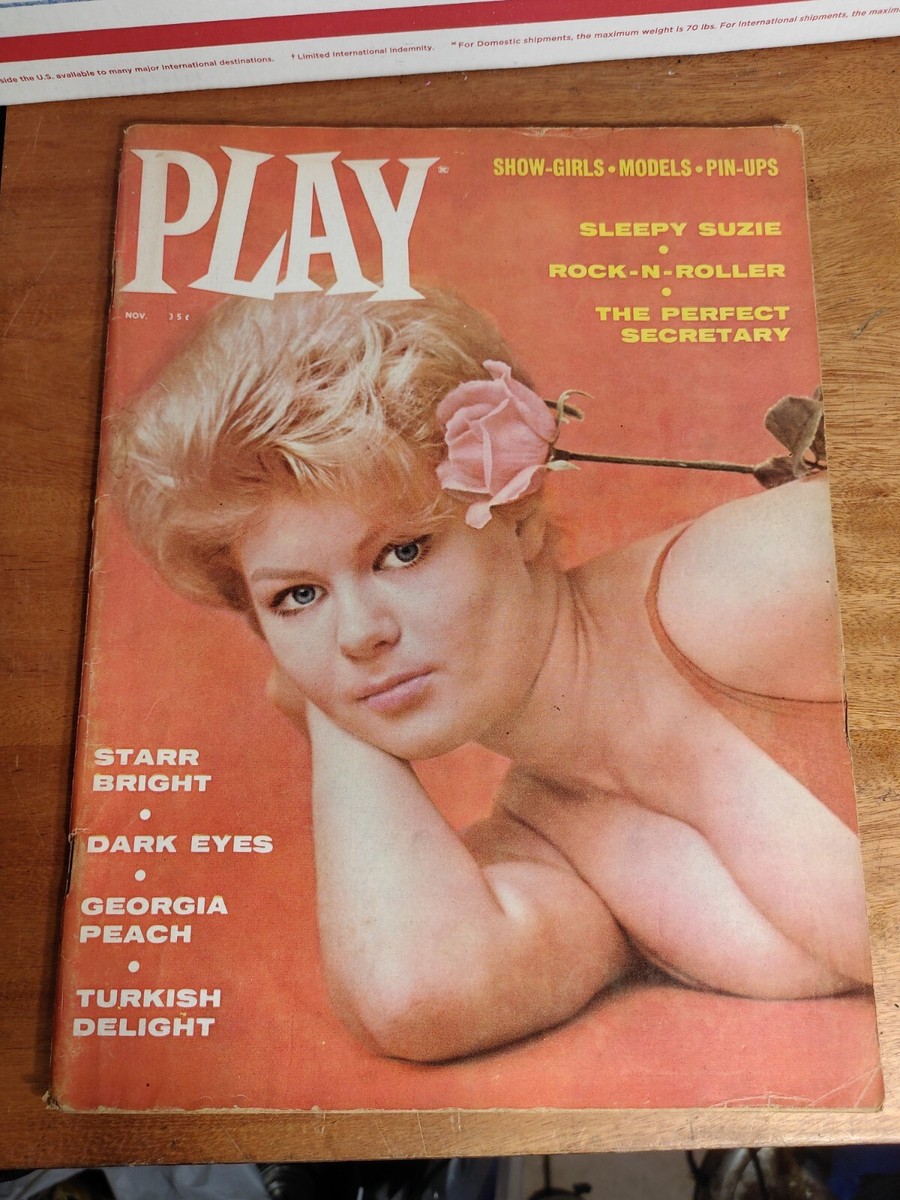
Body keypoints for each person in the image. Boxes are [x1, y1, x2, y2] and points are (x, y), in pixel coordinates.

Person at [114, 290, 871, 1064]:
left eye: (403, 552)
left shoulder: (738, 585)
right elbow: (417, 997)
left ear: (520, 519)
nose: (360, 634)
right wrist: (331, 721)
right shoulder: (549, 831)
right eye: (297, 596)